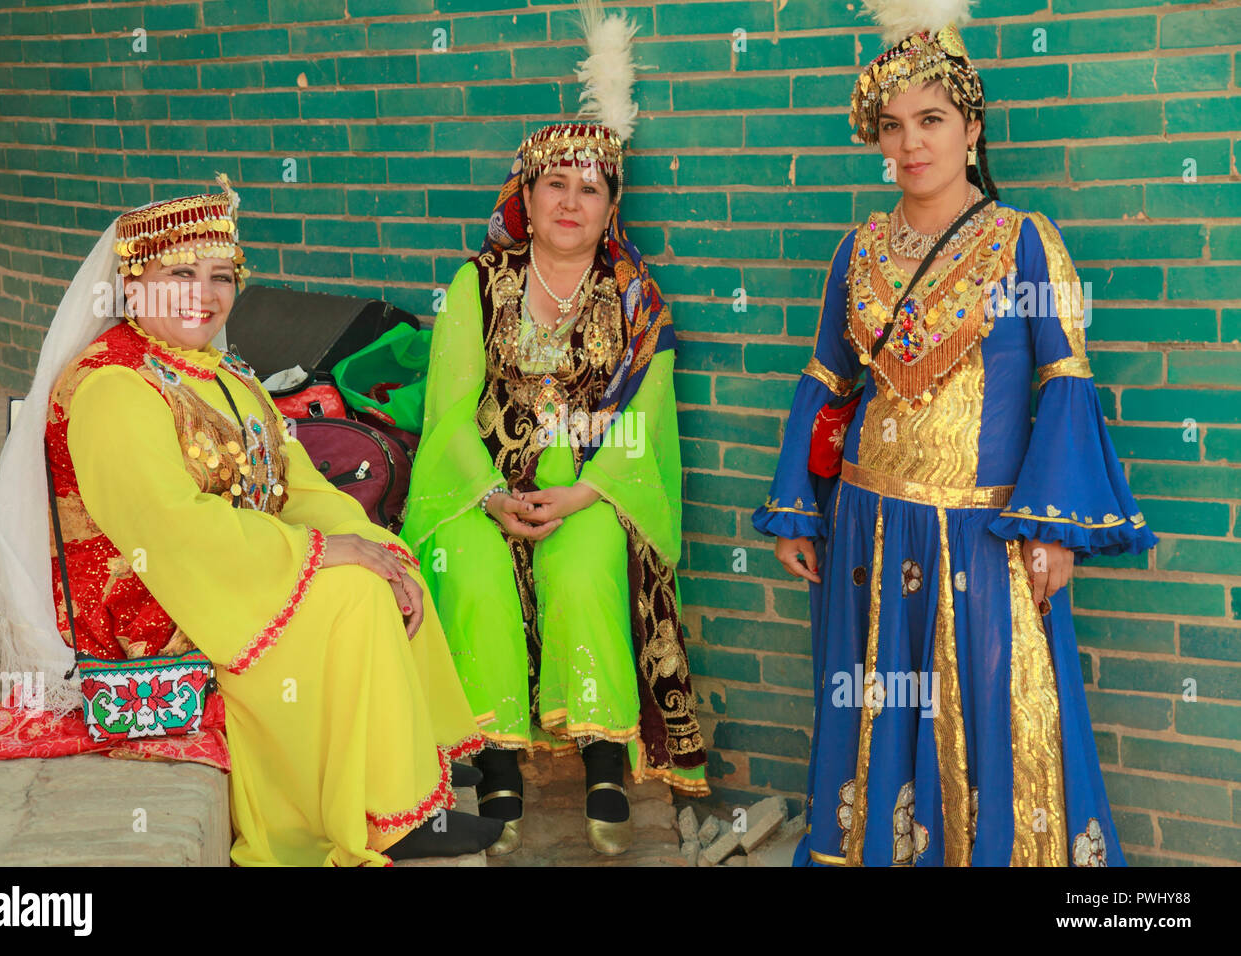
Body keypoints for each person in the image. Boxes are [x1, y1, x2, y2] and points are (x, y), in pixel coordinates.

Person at [0, 177, 502, 866]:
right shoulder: (112, 387)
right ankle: (388, 818)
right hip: (157, 607)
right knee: (347, 592)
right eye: (180, 274)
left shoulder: (216, 367)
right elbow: (171, 532)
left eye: (221, 276)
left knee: (383, 559)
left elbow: (294, 480)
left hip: (230, 567)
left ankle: (403, 756)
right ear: (133, 286)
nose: (204, 293)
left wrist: (364, 540)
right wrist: (319, 554)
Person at [752, 0, 1156, 867]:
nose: (911, 145)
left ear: (970, 128)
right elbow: (827, 377)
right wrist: (797, 505)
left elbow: (1066, 384)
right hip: (865, 523)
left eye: (931, 121)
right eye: (893, 127)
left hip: (980, 534)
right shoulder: (855, 250)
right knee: (873, 707)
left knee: (992, 713)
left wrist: (1055, 533)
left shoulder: (1024, 243)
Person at [401, 0, 707, 857]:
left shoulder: (635, 298)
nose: (572, 202)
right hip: (480, 481)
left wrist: (583, 492)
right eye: (555, 185)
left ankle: (606, 757)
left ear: (613, 202)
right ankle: (497, 770)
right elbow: (449, 409)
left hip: (588, 481)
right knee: (470, 571)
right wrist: (492, 494)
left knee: (587, 561)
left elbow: (646, 424)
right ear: (525, 196)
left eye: (591, 187)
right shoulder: (477, 283)